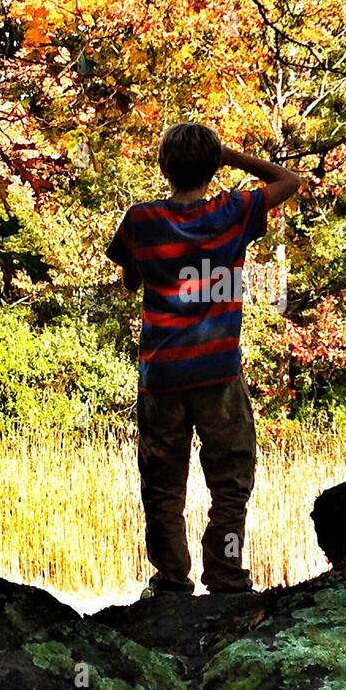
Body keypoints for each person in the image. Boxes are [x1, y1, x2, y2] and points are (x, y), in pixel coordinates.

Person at [106, 122, 301, 597]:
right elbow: (289, 180)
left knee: (162, 488)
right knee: (231, 482)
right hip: (218, 372)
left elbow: (132, 282)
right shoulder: (232, 212)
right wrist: (230, 157)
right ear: (213, 168)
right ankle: (226, 574)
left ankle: (171, 581)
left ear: (163, 167)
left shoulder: (141, 219)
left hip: (162, 373)